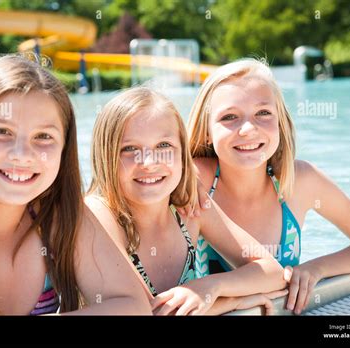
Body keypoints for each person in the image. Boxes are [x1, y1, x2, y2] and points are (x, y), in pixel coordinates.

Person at [0, 55, 151, 315]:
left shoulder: (58, 219)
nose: (22, 154)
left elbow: (134, 306)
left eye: (43, 136)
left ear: (64, 150)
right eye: (2, 131)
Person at [187, 58, 350, 314]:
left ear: (280, 122)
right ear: (207, 131)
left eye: (263, 113)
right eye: (229, 117)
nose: (248, 129)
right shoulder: (195, 180)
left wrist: (316, 268)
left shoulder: (299, 181)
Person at [86, 86, 288, 316]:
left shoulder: (188, 208)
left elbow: (273, 272)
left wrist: (210, 287)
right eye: (129, 149)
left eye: (164, 146)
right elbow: (142, 312)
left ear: (182, 154)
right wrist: (231, 302)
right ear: (104, 156)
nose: (149, 162)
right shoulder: (97, 214)